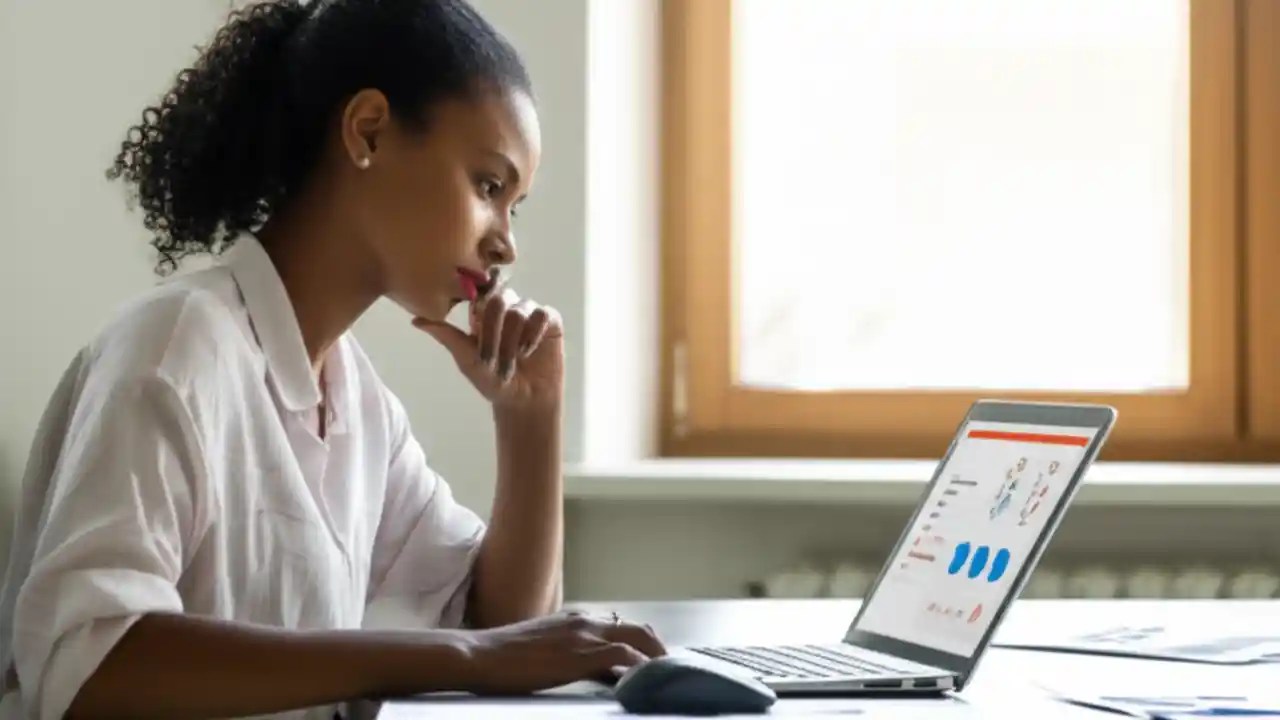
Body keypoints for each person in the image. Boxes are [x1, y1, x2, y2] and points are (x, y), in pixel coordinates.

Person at [0, 1, 665, 718]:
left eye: (514, 205)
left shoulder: (356, 401)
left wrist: (531, 419)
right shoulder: (175, 348)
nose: (506, 242)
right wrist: (457, 659)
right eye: (489, 186)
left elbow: (504, 633)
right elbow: (90, 670)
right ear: (368, 130)